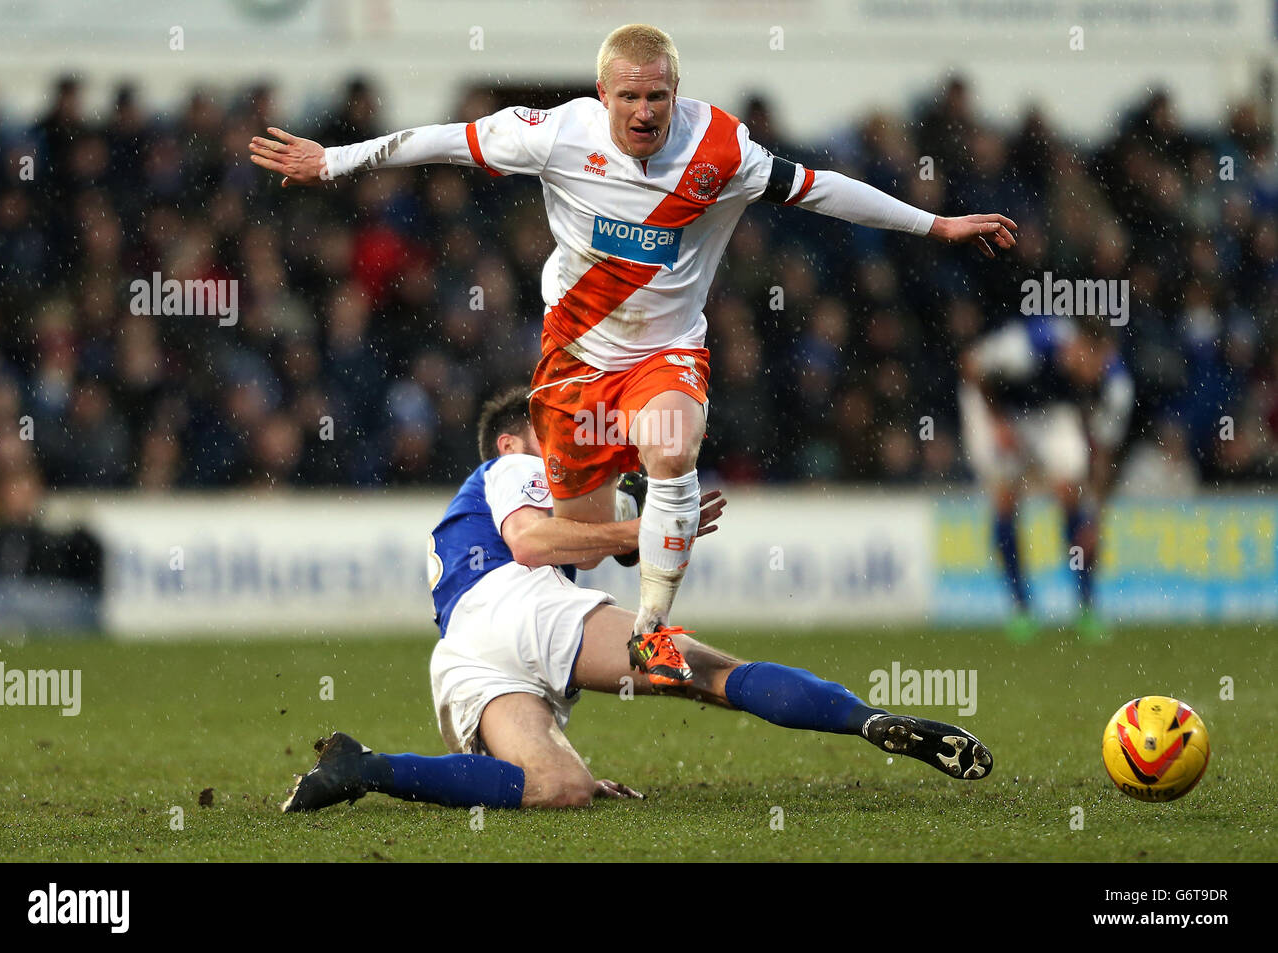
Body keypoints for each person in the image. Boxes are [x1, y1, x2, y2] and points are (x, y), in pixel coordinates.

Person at [250, 23, 1018, 687]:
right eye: (629, 97)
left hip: (666, 352)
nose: (644, 111)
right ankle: (629, 519)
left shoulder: (721, 147)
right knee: (583, 543)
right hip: (575, 360)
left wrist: (934, 226)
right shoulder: (556, 133)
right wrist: (335, 161)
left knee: (672, 446)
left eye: (657, 96)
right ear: (602, 93)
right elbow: (445, 143)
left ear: (675, 92)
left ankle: (652, 626)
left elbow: (820, 187)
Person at [281, 388, 993, 812]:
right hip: (524, 614)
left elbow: (597, 540)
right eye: (547, 431)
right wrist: (641, 521)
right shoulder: (512, 465)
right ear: (510, 438)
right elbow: (532, 542)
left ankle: (363, 766)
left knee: (558, 786)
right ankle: (868, 719)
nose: (560, 444)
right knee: (704, 672)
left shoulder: (495, 500)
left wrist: (639, 516)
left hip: (470, 654)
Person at [958, 314, 1133, 642]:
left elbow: (1104, 454)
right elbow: (971, 365)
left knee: (1070, 488)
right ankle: (1021, 609)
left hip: (1049, 409)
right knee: (1005, 496)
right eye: (1094, 362)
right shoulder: (1033, 344)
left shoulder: (1115, 385)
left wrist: (1094, 516)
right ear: (1080, 347)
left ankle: (1087, 606)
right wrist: (997, 423)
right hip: (995, 406)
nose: (1097, 373)